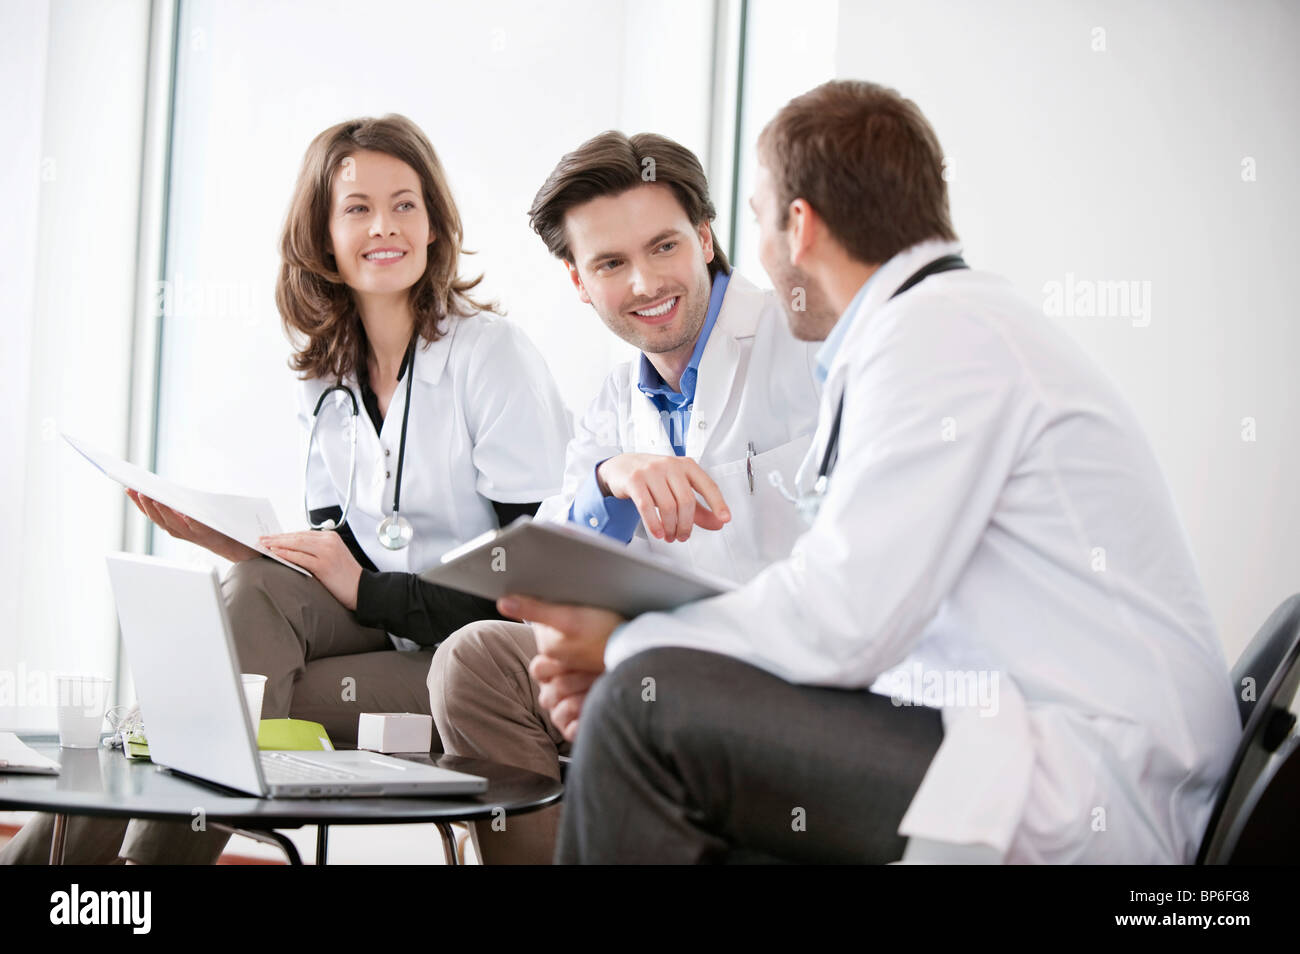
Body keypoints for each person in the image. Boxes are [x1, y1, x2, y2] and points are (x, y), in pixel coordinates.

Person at [515, 80, 1242, 864]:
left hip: (1095, 778)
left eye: (753, 220)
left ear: (800, 227)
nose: (745, 255)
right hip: (1015, 732)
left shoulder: (935, 337)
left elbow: (842, 618)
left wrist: (626, 646)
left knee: (640, 710)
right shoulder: (934, 326)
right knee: (686, 734)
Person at [1, 114, 572, 865]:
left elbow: (527, 586)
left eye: (405, 204)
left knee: (200, 704)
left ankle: (104, 886)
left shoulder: (490, 356)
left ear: (435, 225)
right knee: (255, 589)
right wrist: (232, 540)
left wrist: (369, 594)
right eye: (358, 208)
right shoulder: (326, 373)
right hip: (382, 633)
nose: (385, 226)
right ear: (323, 237)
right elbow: (341, 551)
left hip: (467, 658)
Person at [427, 131, 824, 863]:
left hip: (780, 661)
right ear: (579, 280)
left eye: (664, 247)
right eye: (610, 262)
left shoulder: (803, 342)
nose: (644, 283)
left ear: (705, 239)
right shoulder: (614, 401)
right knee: (475, 658)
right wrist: (611, 478)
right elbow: (543, 568)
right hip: (654, 657)